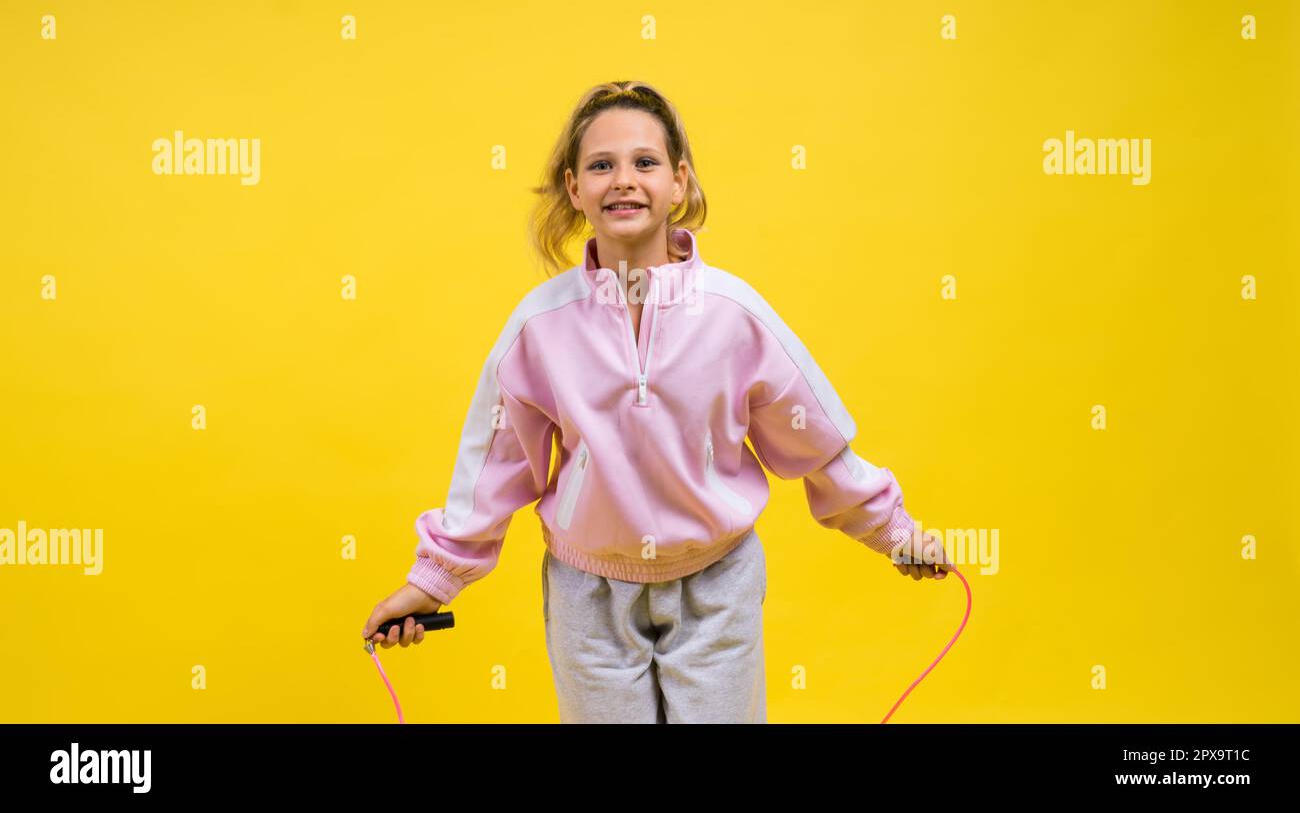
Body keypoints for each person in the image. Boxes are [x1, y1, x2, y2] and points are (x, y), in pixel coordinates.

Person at [361, 81, 953, 722]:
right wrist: (432, 583)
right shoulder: (540, 327)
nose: (623, 180)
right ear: (574, 187)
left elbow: (814, 443)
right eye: (601, 165)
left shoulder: (734, 314)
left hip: (717, 587)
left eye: (644, 162)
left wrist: (895, 534)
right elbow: (497, 467)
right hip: (588, 595)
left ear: (680, 183)